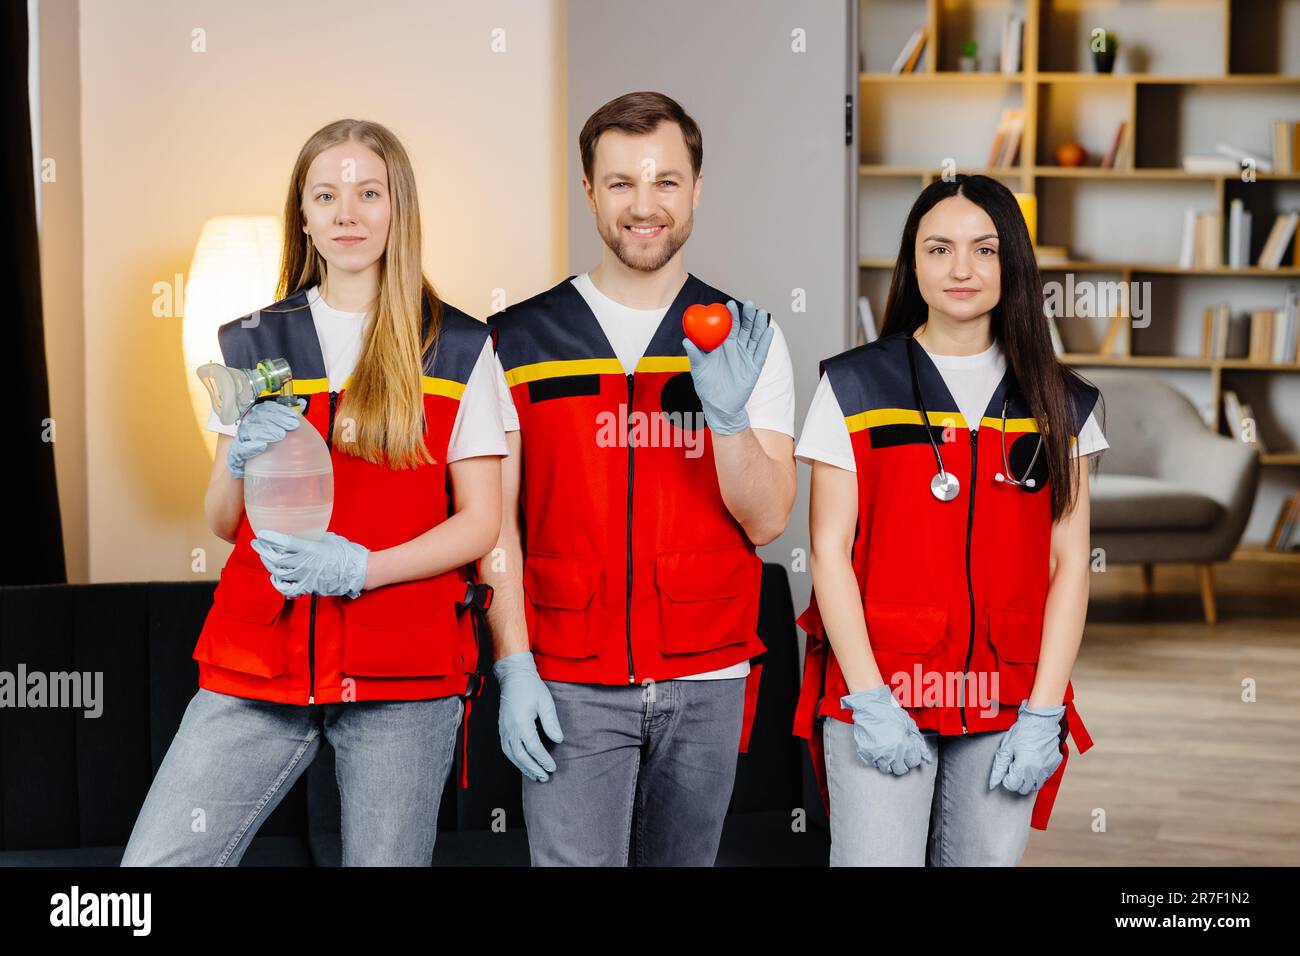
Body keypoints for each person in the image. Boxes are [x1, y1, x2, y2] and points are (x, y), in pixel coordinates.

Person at [122, 119, 506, 866]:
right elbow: (224, 522)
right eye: (326, 195)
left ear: (400, 209)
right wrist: (237, 466)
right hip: (259, 662)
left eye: (369, 193)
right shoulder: (250, 343)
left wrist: (362, 569)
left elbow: (481, 522)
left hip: (402, 676)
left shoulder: (460, 349)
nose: (347, 213)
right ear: (301, 215)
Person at [482, 91, 797, 866]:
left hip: (707, 676)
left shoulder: (747, 338)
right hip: (567, 681)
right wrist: (514, 664)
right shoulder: (515, 340)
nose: (643, 205)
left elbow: (768, 520)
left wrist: (727, 419)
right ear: (589, 192)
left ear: (696, 189)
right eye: (620, 182)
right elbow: (495, 527)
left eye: (665, 180)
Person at [793, 174, 1106, 866]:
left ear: (1012, 265)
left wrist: (1044, 709)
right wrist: (869, 697)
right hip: (881, 690)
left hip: (1009, 696)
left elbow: (1068, 565)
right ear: (914, 263)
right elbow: (828, 553)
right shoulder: (853, 387)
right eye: (939, 249)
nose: (961, 269)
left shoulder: (1063, 403)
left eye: (984, 250)